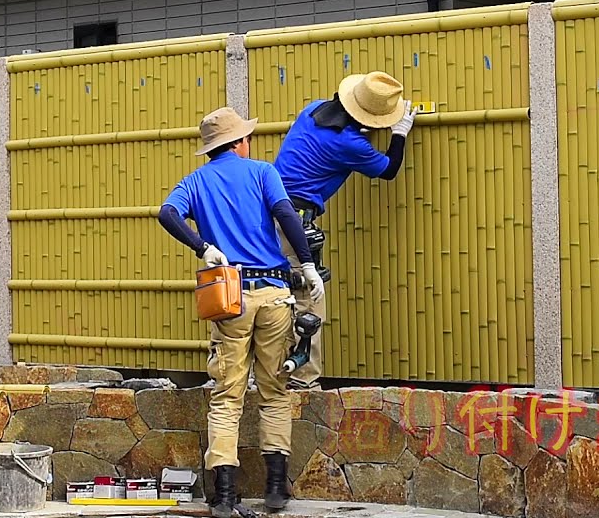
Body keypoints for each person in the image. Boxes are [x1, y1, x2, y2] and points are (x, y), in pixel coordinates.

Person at [157, 106, 325, 516]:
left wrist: (203, 248)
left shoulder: (195, 182)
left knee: (227, 397)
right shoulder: (262, 172)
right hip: (273, 295)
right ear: (239, 142)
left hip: (229, 299)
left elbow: (167, 213)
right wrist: (305, 263)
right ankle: (274, 491)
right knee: (275, 391)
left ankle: (227, 497)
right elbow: (286, 215)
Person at [272, 71, 419, 389]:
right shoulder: (349, 143)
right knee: (308, 296)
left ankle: (271, 372)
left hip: (268, 213)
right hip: (294, 221)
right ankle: (301, 379)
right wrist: (400, 133)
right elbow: (389, 169)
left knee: (275, 294)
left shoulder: (311, 109)